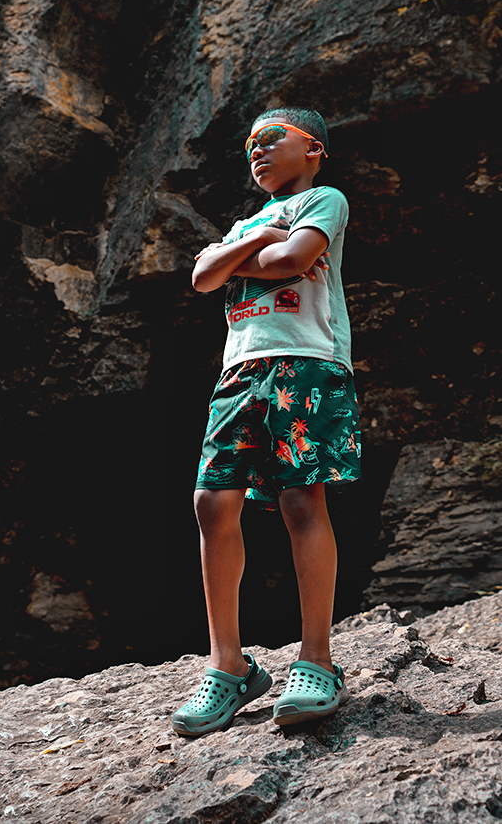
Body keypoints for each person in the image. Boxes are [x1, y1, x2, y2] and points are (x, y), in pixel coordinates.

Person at [172, 107, 361, 737]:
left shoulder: (324, 198)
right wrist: (255, 242)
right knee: (211, 503)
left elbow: (294, 260)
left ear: (313, 149)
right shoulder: (248, 221)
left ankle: (317, 661)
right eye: (249, 144)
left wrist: (236, 257)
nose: (256, 150)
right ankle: (229, 666)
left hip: (308, 361)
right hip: (239, 370)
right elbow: (202, 278)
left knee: (302, 502)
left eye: (270, 139)